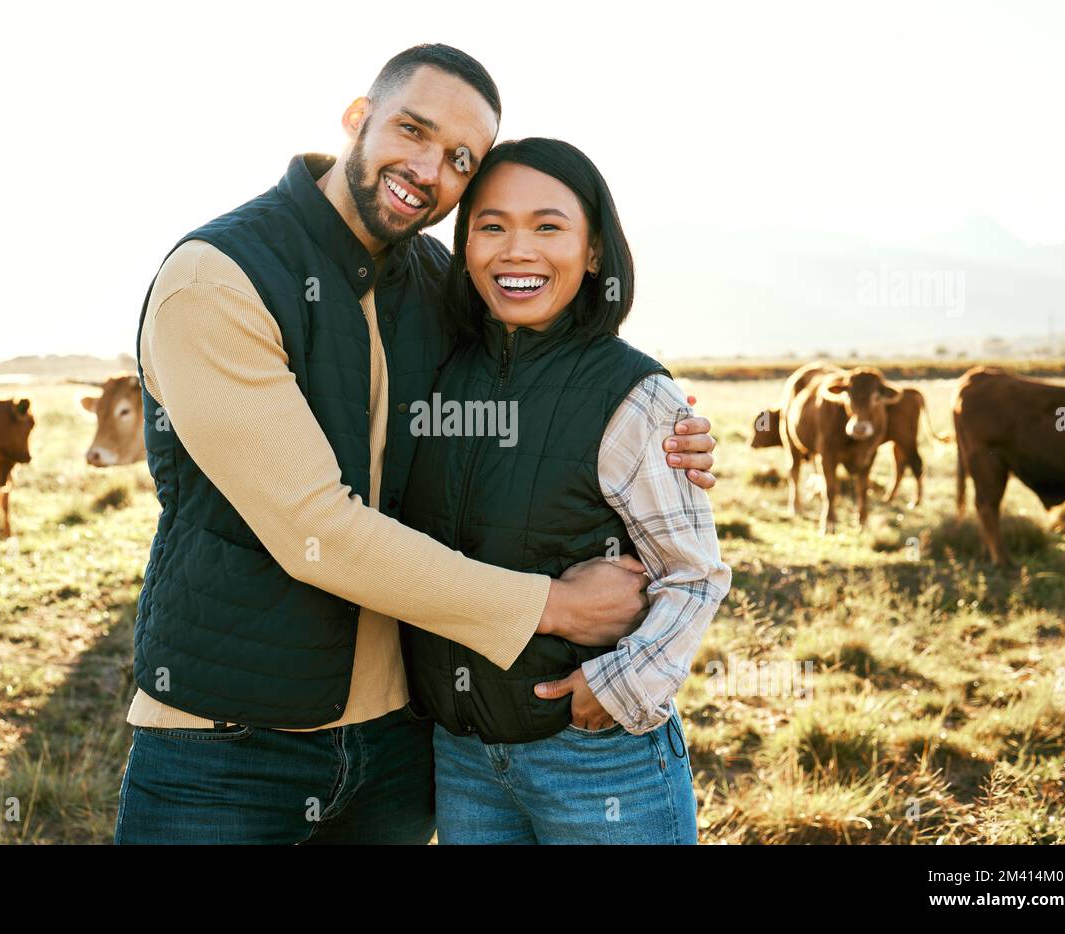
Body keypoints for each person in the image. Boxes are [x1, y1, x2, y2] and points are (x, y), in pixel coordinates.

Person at [113, 44, 718, 845]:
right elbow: (315, 531)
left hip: (405, 741)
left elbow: (541, 372)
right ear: (357, 118)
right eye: (412, 130)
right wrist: (556, 606)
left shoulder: (435, 280)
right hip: (229, 741)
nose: (428, 168)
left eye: (460, 160)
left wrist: (664, 430)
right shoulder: (219, 277)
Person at [400, 138, 731, 844]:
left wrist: (616, 691)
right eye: (491, 227)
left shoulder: (635, 395)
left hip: (596, 761)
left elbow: (695, 575)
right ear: (463, 249)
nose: (517, 250)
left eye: (548, 227)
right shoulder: (437, 374)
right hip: (461, 761)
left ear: (594, 253)